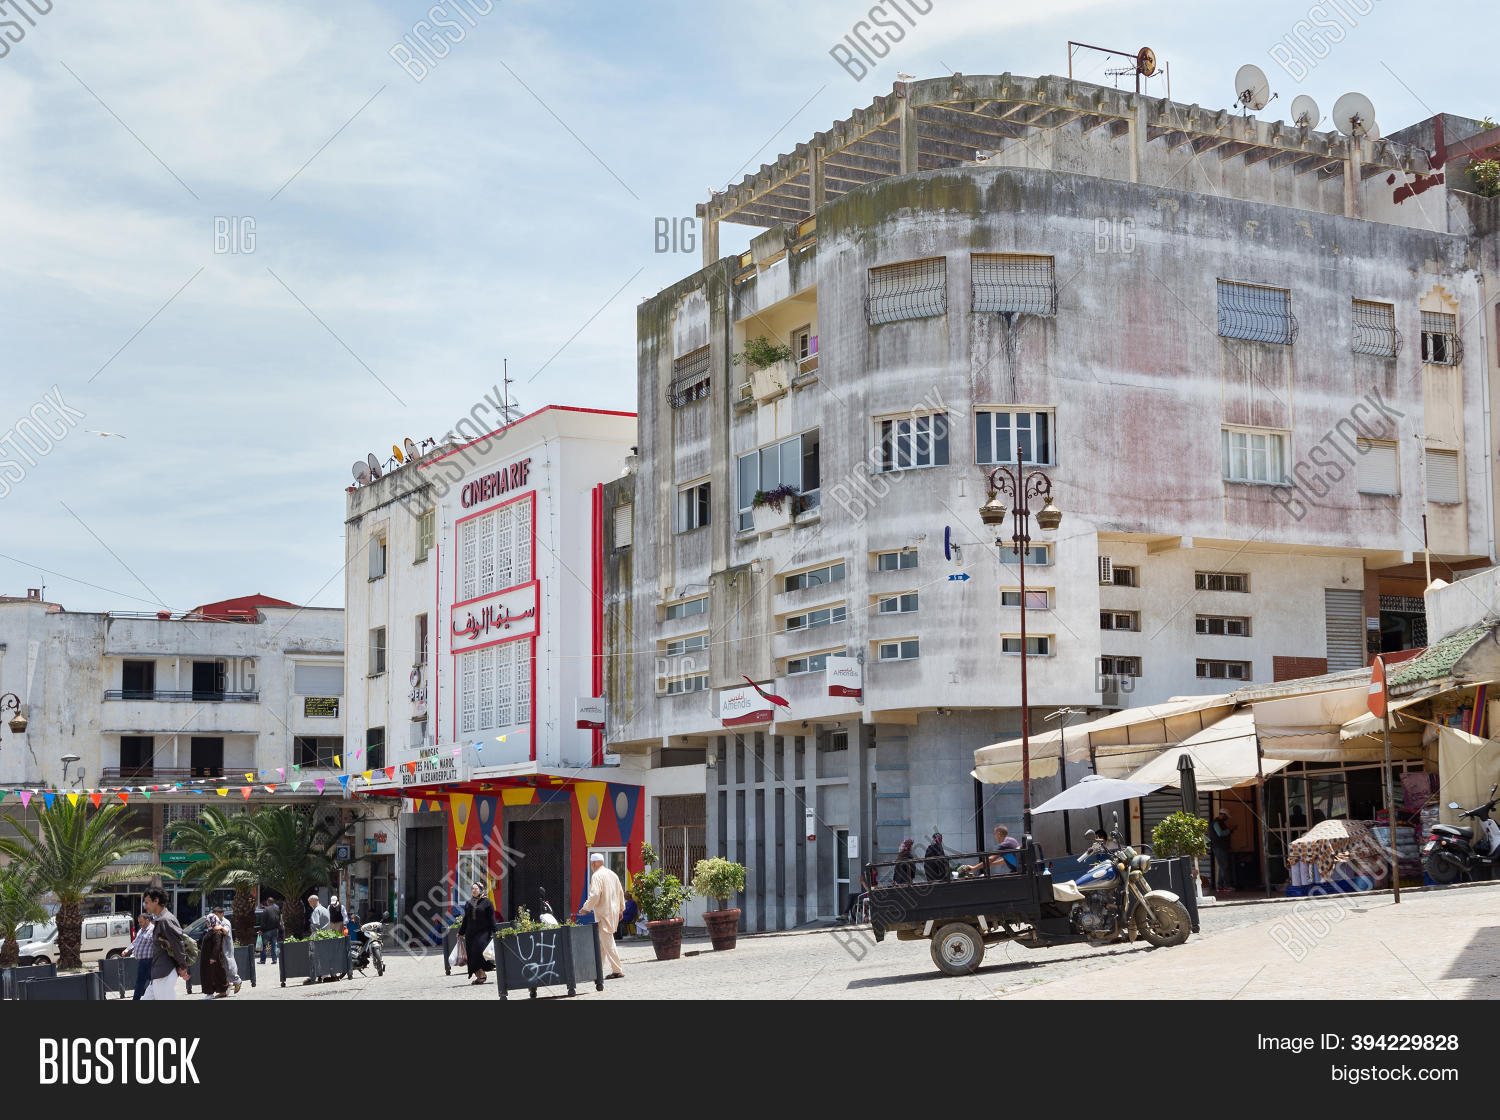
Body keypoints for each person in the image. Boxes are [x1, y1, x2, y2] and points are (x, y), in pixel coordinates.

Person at [578, 851, 626, 979]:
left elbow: (594, 895)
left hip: (603, 914)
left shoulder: (597, 876)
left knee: (607, 941)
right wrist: (621, 909)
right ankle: (597, 970)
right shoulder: (612, 874)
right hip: (613, 912)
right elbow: (621, 893)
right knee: (601, 944)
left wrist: (585, 908)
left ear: (593, 863)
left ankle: (617, 970)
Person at [141, 888, 189, 1001]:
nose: (145, 906)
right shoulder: (161, 919)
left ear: (156, 901)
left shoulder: (165, 920)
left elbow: (178, 944)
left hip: (164, 974)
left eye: (147, 903)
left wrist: (182, 966)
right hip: (159, 973)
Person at [457, 881, 496, 985]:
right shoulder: (468, 903)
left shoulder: (487, 902)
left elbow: (492, 919)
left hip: (483, 932)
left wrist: (496, 932)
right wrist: (461, 932)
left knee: (478, 952)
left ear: (481, 890)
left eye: (476, 888)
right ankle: (480, 976)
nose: (474, 890)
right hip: (470, 934)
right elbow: (465, 919)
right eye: (472, 889)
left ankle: (484, 970)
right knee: (471, 956)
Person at [208, 906, 242, 994]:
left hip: (226, 947)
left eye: (217, 914)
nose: (215, 917)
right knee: (222, 969)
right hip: (219, 948)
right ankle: (225, 991)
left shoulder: (225, 922)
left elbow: (226, 931)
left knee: (228, 965)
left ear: (221, 914)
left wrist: (219, 928)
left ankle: (237, 980)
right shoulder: (216, 922)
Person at [199, 912, 231, 999]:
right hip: (208, 958)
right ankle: (224, 988)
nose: (206, 923)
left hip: (212, 959)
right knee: (216, 975)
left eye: (208, 921)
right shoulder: (211, 930)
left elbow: (217, 945)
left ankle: (210, 993)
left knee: (210, 976)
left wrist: (213, 957)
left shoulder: (216, 932)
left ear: (212, 921)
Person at [126, 911, 154, 1001]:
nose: (140, 924)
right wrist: (127, 950)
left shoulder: (153, 930)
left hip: (150, 961)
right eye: (139, 922)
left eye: (141, 922)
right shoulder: (141, 930)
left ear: (147, 920)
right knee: (140, 983)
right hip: (142, 961)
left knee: (153, 982)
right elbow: (136, 942)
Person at [1211, 811, 1236, 893]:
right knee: (1224, 866)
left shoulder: (1220, 822)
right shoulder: (1216, 823)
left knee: (1222, 867)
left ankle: (1221, 886)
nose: (1227, 819)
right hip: (1219, 848)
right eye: (1226, 817)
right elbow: (1220, 833)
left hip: (1222, 847)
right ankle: (1226, 886)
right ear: (1222, 815)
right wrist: (1229, 830)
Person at [259, 896, 281, 965]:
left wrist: (261, 930)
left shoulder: (266, 909)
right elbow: (279, 920)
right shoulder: (277, 909)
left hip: (267, 931)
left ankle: (263, 960)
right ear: (273, 902)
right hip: (275, 930)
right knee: (274, 945)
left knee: (263, 945)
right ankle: (274, 959)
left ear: (267, 902)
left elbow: (263, 921)